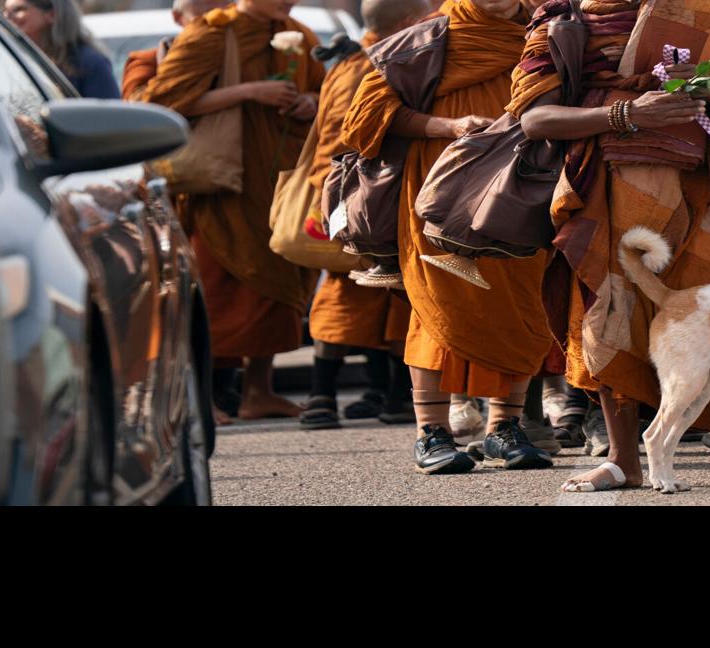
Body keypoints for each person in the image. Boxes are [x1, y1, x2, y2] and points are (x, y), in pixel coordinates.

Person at [514, 0, 710, 492]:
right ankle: (623, 459)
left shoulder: (702, 13)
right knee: (611, 313)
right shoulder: (564, 22)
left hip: (696, 196)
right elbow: (535, 119)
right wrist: (627, 112)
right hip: (603, 193)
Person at [340, 0, 554, 474]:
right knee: (440, 305)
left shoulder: (547, 34)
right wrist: (449, 126)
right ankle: (431, 433)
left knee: (521, 302)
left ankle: (505, 428)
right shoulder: (425, 40)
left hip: (517, 186)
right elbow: (363, 120)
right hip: (438, 190)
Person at [140, 0, 326, 421]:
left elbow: (325, 88)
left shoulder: (300, 32)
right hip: (224, 185)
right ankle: (200, 398)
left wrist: (310, 102)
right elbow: (162, 100)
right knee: (216, 288)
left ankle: (259, 391)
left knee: (279, 281)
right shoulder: (210, 33)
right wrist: (248, 91)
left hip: (279, 178)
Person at [298, 0, 433, 430]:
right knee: (385, 294)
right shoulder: (384, 62)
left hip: (339, 192)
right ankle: (378, 396)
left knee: (348, 294)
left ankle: (335, 398)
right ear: (412, 23)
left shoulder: (348, 61)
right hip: (368, 194)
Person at [4, 0, 122, 99]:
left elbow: (110, 120)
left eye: (18, 9)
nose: (6, 17)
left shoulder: (89, 63)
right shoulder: (10, 59)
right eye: (5, 10)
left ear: (51, 15)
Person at [121, 0, 229, 101]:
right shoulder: (147, 62)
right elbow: (140, 109)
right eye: (201, 19)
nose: (214, 25)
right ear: (177, 17)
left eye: (224, 16)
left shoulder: (238, 54)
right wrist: (166, 70)